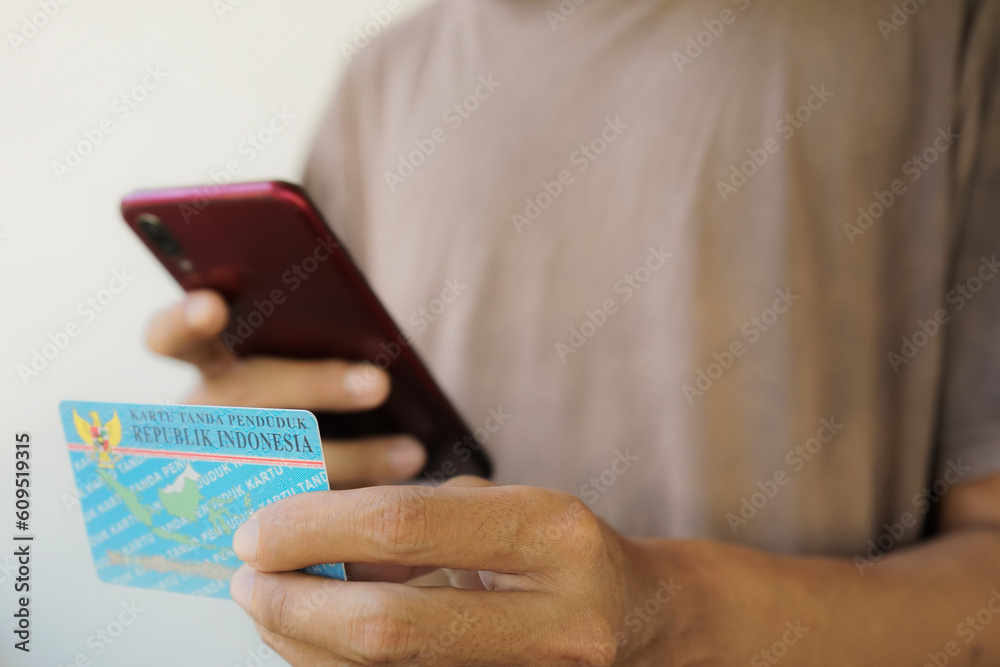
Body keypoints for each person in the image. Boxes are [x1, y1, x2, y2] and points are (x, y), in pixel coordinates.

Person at [147, 0, 1000, 663]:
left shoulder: (943, 30)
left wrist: (670, 621)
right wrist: (269, 465)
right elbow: (351, 476)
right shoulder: (379, 79)